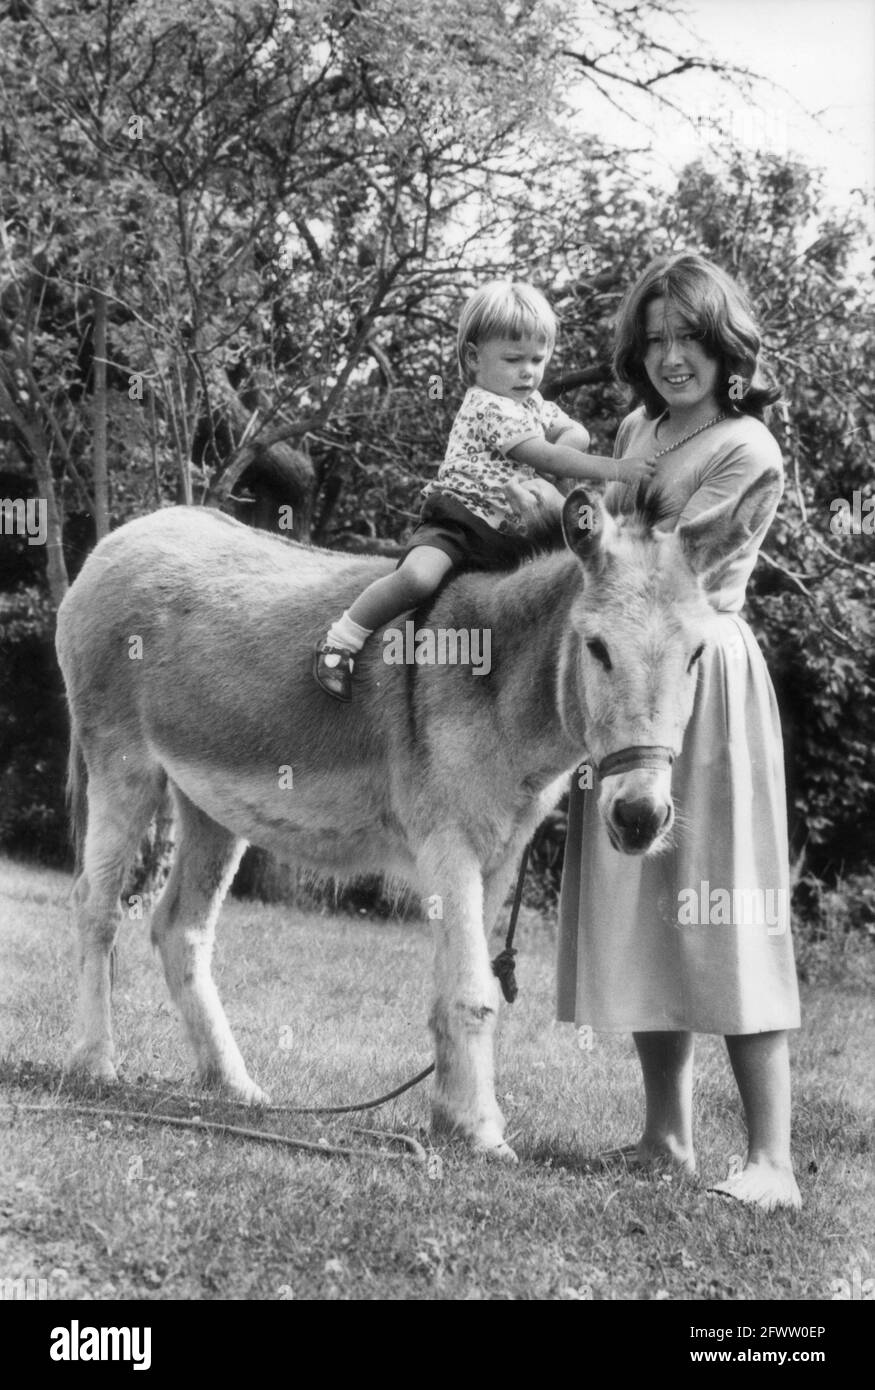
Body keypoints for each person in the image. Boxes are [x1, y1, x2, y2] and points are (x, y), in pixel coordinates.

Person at [557, 252, 802, 1211]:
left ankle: (772, 1161)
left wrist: (576, 523)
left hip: (702, 678)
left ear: (724, 345)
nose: (670, 358)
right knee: (646, 908)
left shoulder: (746, 448)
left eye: (688, 339)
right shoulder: (637, 431)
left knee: (729, 904)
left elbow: (662, 561)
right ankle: (665, 1136)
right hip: (629, 679)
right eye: (654, 339)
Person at [314, 279, 653, 700]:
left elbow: (576, 434)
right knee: (418, 578)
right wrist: (615, 468)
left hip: (507, 530)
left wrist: (551, 455)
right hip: (459, 522)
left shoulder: (530, 403)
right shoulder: (486, 406)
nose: (528, 372)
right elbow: (549, 456)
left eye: (538, 359)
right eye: (513, 359)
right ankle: (341, 640)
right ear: (475, 358)